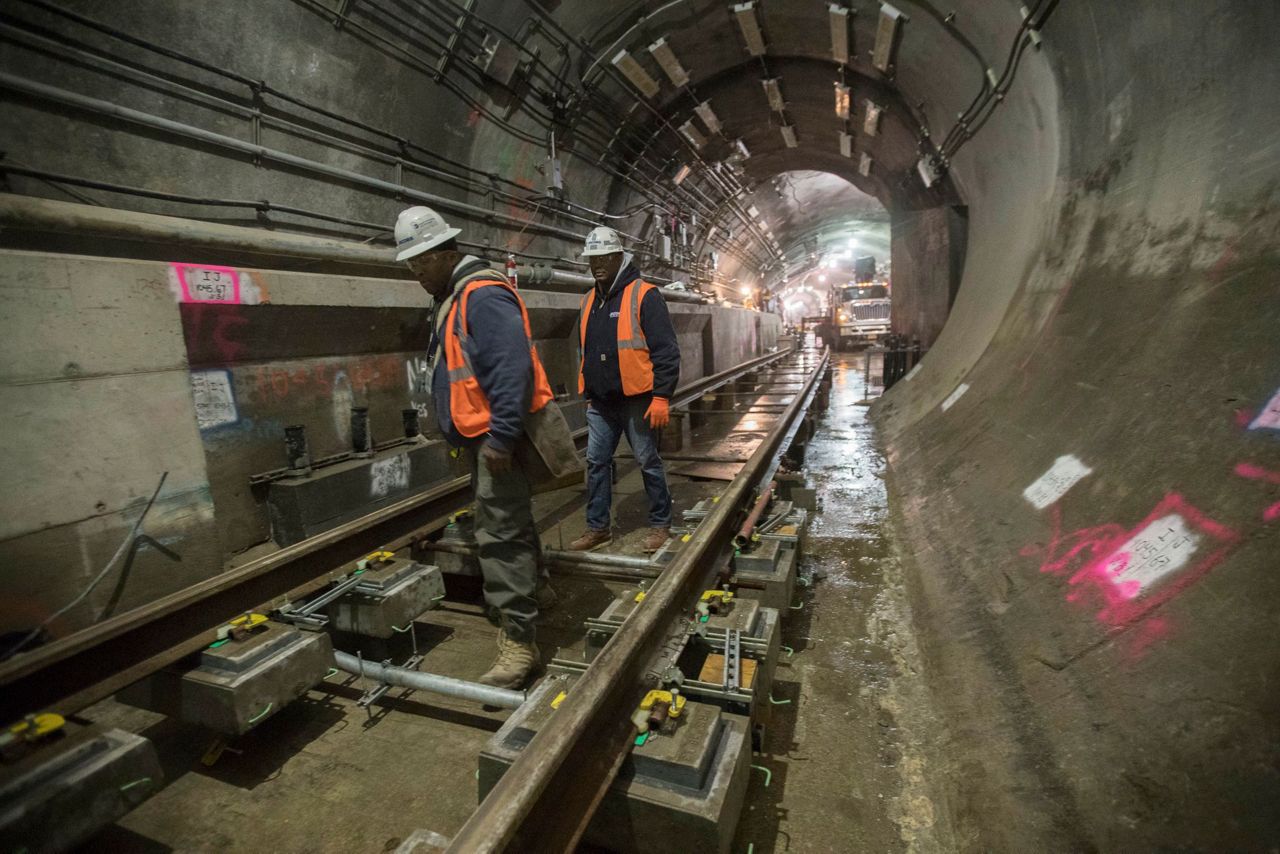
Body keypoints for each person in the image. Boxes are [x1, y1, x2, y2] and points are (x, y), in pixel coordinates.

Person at [395, 204, 553, 689]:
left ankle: (519, 641)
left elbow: (512, 370)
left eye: (422, 260)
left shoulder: (481, 296)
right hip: (480, 435)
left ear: (447, 252)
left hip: (494, 438)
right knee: (510, 522)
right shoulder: (454, 295)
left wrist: (501, 438)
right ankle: (536, 593)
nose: (416, 271)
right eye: (411, 263)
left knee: (499, 536)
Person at [568, 226, 680, 554]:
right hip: (601, 403)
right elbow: (587, 350)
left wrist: (661, 397)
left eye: (604, 257)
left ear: (619, 257)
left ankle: (660, 525)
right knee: (596, 463)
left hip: (637, 400)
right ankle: (597, 528)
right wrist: (589, 391)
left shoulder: (645, 295)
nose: (597, 264)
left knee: (647, 461)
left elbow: (666, 350)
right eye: (593, 259)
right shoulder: (589, 300)